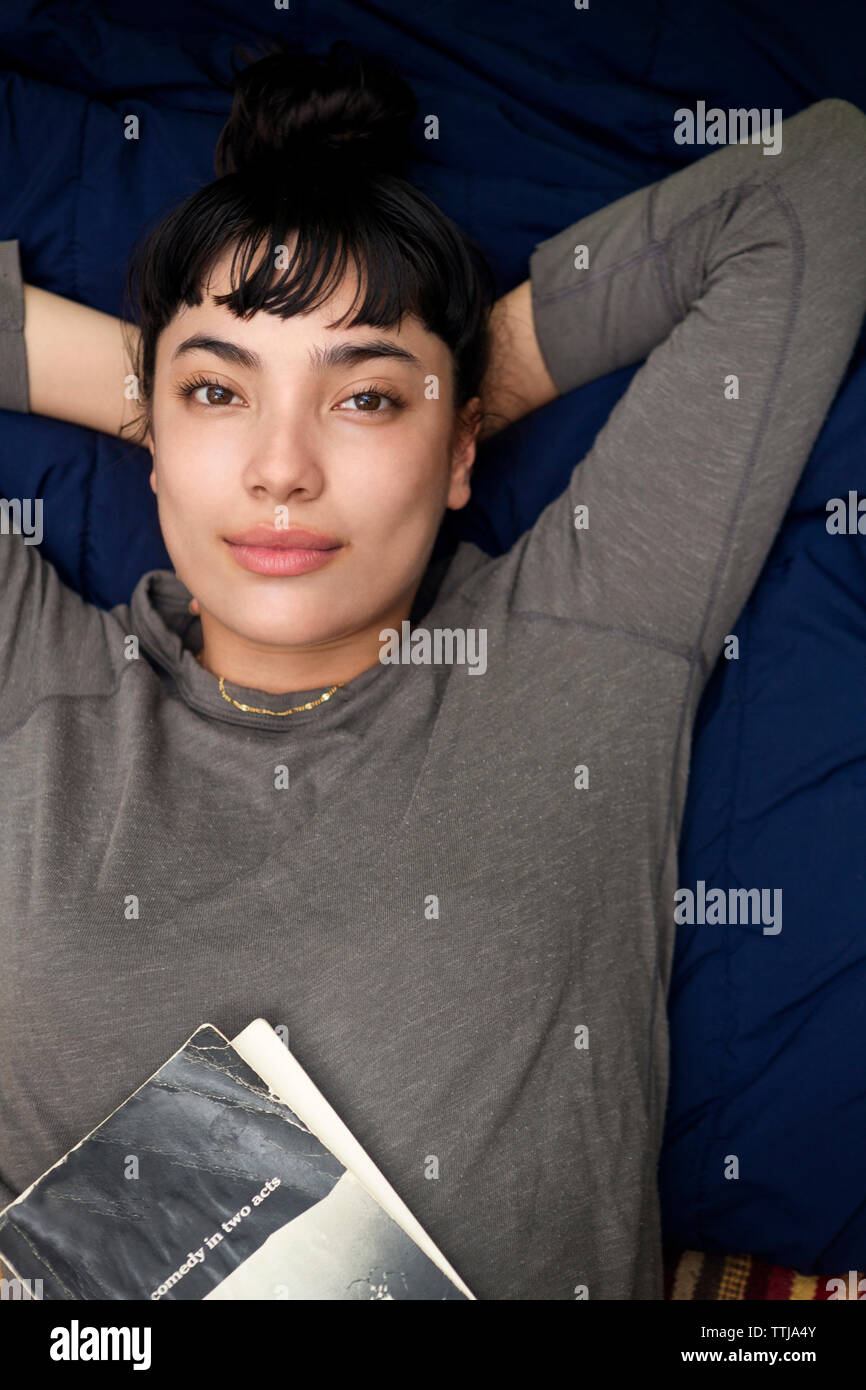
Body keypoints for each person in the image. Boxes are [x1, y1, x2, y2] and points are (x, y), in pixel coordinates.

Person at [1, 41, 865, 1300]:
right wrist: (153, 390)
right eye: (214, 394)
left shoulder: (578, 647)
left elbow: (814, 186)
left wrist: (459, 376)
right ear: (152, 441)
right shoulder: (36, 685)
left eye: (362, 404)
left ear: (459, 453)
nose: (281, 468)